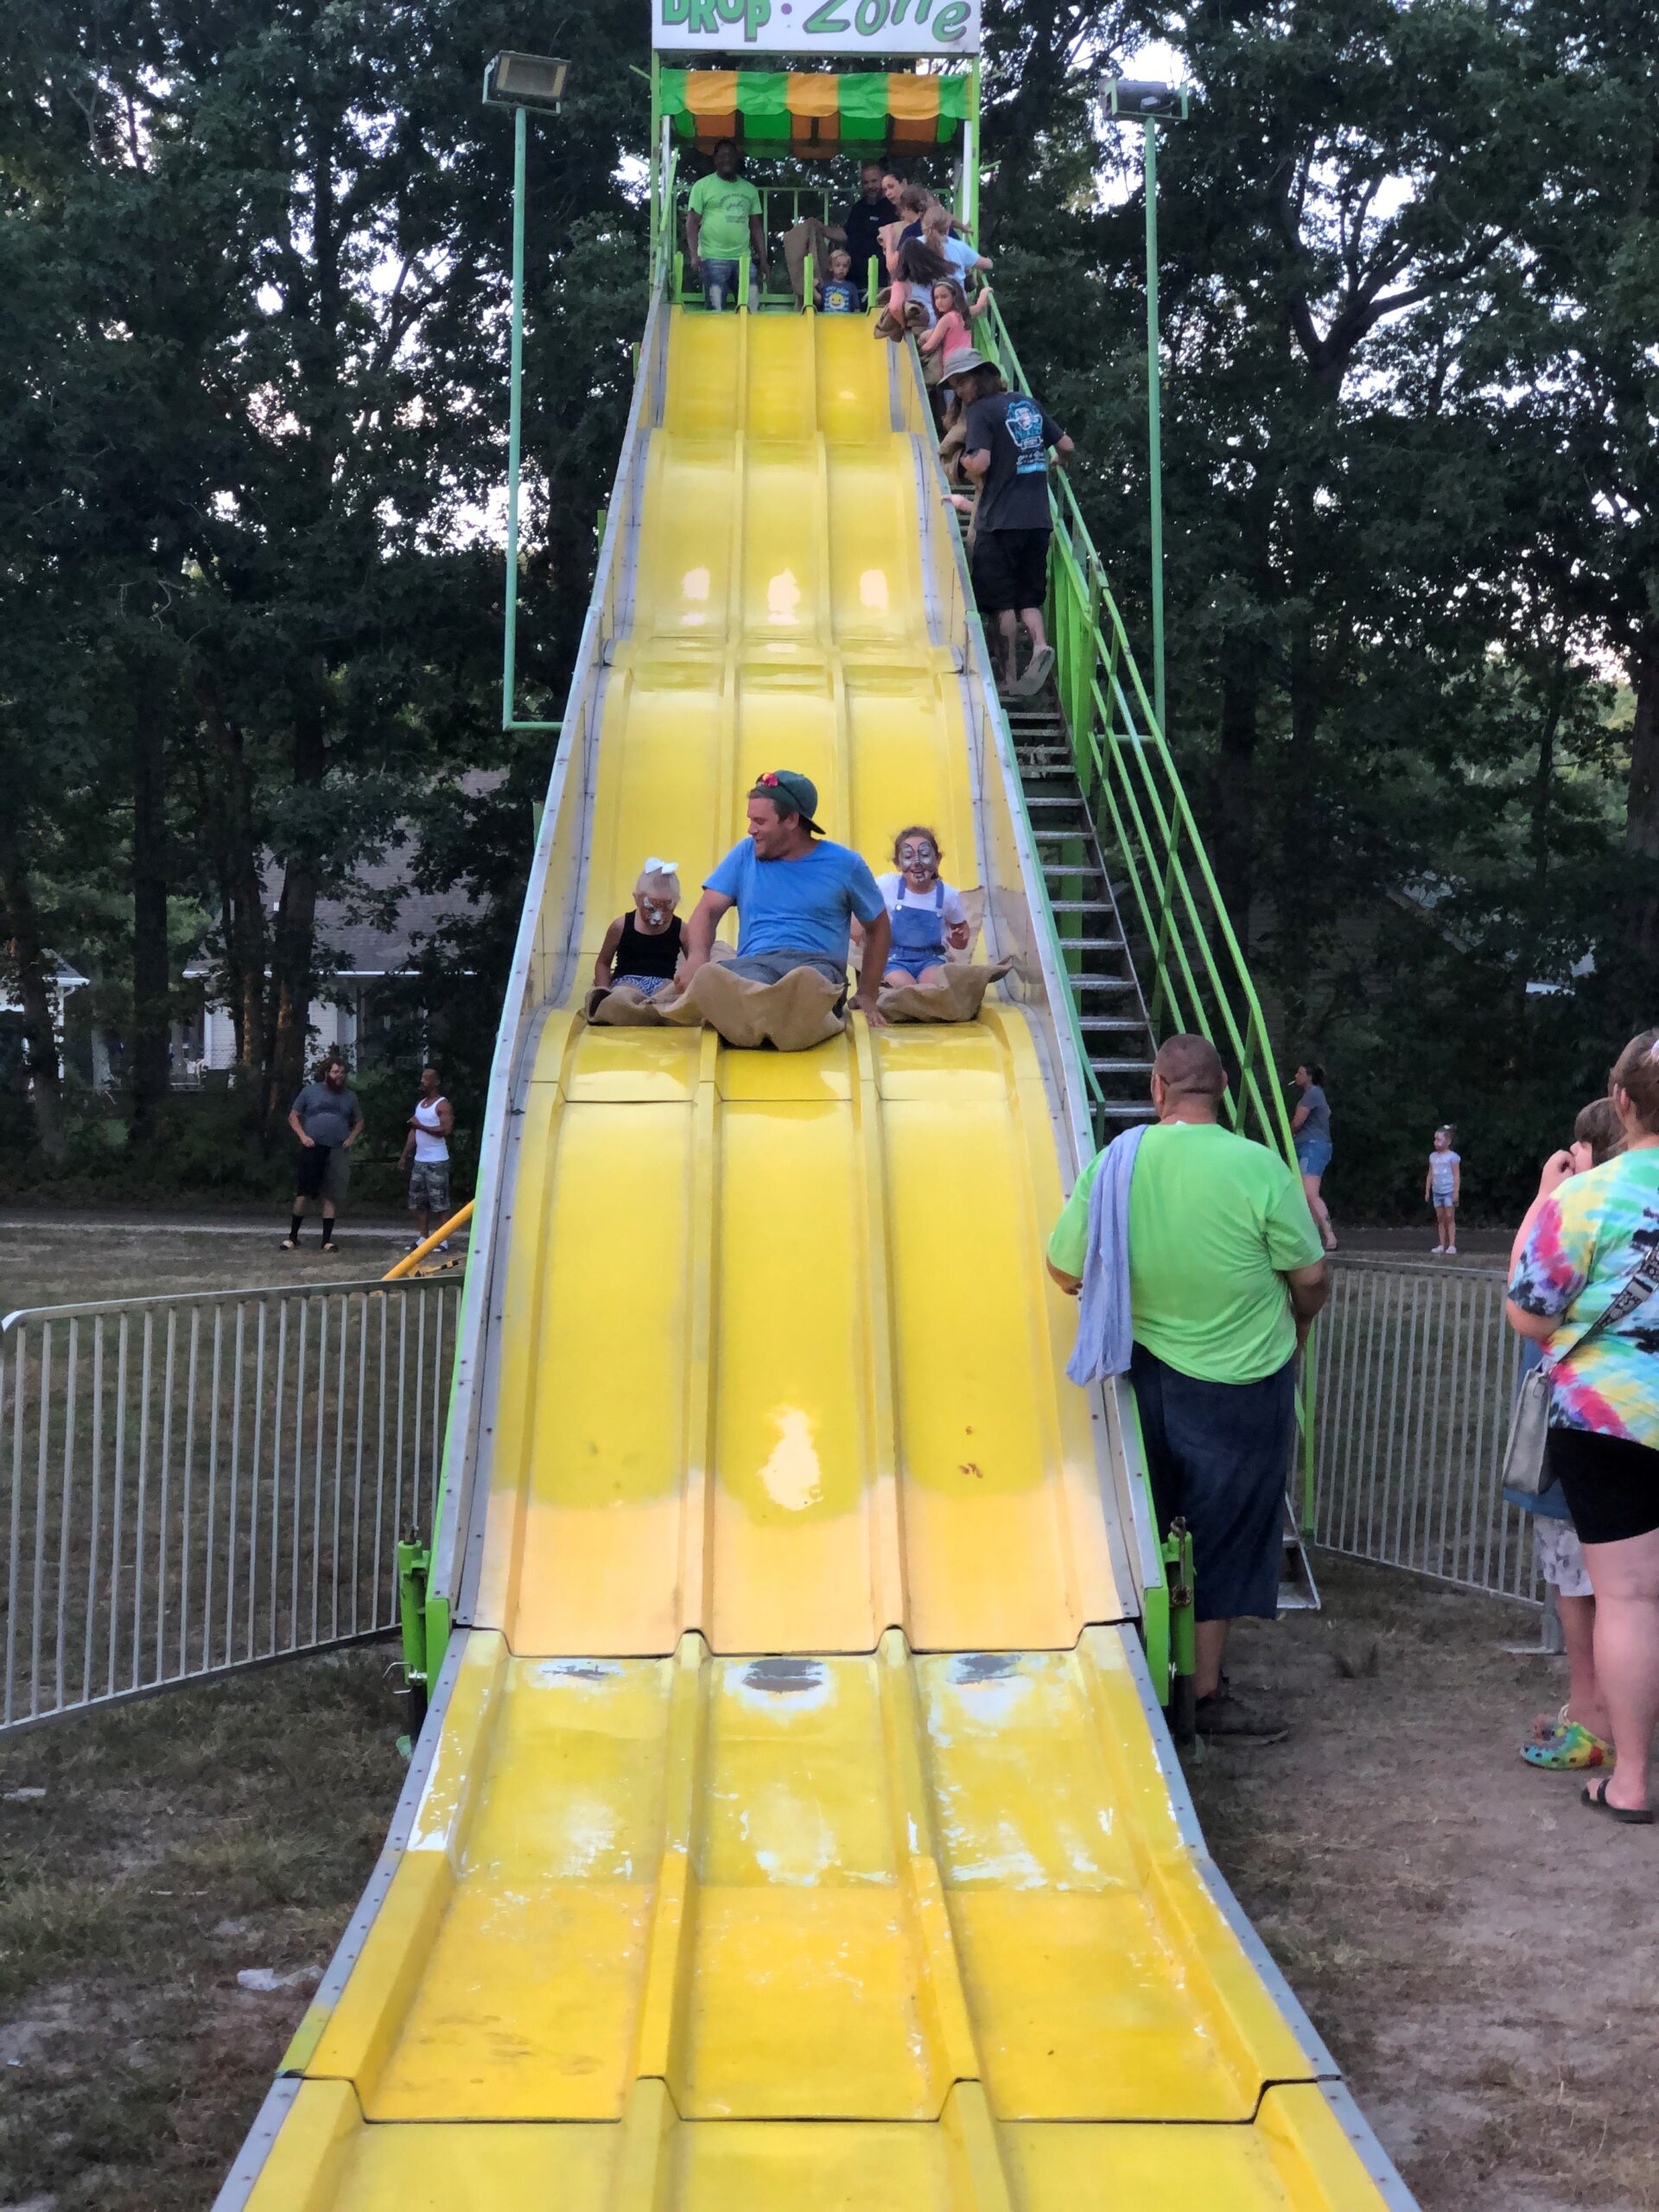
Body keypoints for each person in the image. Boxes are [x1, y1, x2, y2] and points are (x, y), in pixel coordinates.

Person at [1046, 1034, 1328, 1739]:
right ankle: (1205, 1696)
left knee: (1150, 1524)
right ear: (1225, 1089)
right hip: (1244, 1384)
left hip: (1144, 1374)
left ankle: (1144, 1679)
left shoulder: (1118, 1162)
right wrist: (1298, 1321)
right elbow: (1311, 1276)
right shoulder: (1260, 1167)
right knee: (1226, 1534)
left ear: (1157, 1088)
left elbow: (1062, 1265)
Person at [1508, 1029, 1659, 1822]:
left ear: (1623, 1103)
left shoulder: (1584, 1198)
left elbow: (1529, 1314)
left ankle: (1631, 1781)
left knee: (1630, 1599)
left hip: (1610, 1421)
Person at [1506, 1096, 1624, 1772]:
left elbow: (1525, 1291)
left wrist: (1549, 1195)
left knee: (1577, 1585)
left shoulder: (1577, 1213)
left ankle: (1590, 1716)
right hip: (1632, 1424)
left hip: (1574, 1427)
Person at [680, 770, 890, 1027]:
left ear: (791, 820)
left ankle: (759, 1016)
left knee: (806, 983)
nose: (751, 829)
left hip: (815, 968)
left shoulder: (845, 864)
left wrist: (868, 994)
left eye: (760, 821)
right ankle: (763, 1013)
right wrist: (697, 957)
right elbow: (708, 910)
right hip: (754, 966)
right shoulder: (745, 854)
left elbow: (878, 926)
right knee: (734, 979)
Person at [944, 348, 1072, 698]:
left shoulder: (982, 411)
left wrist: (963, 462)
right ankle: (1041, 645)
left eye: (962, 382)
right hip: (1037, 520)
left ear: (980, 377)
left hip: (999, 522)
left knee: (1001, 604)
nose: (959, 391)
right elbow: (1067, 444)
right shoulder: (1026, 404)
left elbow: (981, 463)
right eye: (954, 385)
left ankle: (1010, 678)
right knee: (1028, 597)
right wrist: (1058, 461)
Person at [865, 825, 972, 988]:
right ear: (897, 863)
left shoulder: (948, 895)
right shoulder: (887, 885)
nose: (917, 863)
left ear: (937, 859)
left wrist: (959, 940)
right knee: (906, 987)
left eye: (924, 855)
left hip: (932, 959)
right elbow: (861, 899)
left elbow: (962, 932)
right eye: (908, 856)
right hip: (895, 958)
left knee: (932, 988)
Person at [283, 1055, 363, 1253]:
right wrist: (302, 1136)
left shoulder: (350, 1096)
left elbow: (359, 1121)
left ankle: (326, 1240)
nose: (340, 1076)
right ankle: (293, 1237)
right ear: (327, 1073)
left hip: (337, 1150)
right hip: (313, 1148)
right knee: (304, 1193)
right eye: (336, 1072)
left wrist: (351, 1138)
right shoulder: (310, 1091)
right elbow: (293, 1116)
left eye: (343, 1073)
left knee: (331, 1194)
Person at [685, 139, 766, 313]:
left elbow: (756, 226)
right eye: (722, 156)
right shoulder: (702, 186)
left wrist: (764, 259)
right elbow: (692, 223)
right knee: (716, 310)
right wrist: (694, 255)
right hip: (713, 258)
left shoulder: (749, 189)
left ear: (737, 158)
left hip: (744, 259)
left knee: (751, 311)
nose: (726, 159)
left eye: (730, 156)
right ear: (715, 159)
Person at [594, 861, 684, 1001]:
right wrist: (603, 992)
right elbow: (603, 963)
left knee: (670, 993)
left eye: (666, 909)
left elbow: (696, 962)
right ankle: (638, 1009)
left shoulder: (682, 929)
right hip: (627, 981)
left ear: (676, 903)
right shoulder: (620, 926)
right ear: (636, 899)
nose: (657, 917)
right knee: (624, 993)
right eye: (650, 908)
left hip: (664, 985)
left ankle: (652, 1008)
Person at [400, 1066, 454, 1253]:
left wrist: (420, 1126)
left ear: (436, 1082)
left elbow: (445, 1130)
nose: (423, 1081)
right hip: (420, 1160)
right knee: (419, 1201)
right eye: (422, 1077)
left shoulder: (442, 1105)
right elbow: (413, 1132)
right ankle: (424, 1237)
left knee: (439, 1201)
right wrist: (404, 1155)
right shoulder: (420, 1104)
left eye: (427, 1078)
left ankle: (443, 1240)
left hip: (437, 1160)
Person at [1290, 1061, 1337, 1252]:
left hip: (1313, 1147)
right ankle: (1313, 1237)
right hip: (1308, 1146)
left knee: (1310, 1193)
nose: (1296, 1076)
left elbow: (1298, 1121)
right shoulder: (1316, 1095)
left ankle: (1330, 1235)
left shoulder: (1312, 1094)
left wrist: (1289, 1129)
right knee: (1305, 1194)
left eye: (1299, 1073)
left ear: (1309, 1076)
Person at [1425, 1125, 1461, 1255]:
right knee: (1440, 1218)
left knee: (1450, 1217)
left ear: (1448, 1141)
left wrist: (1455, 1191)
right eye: (1435, 1139)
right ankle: (1441, 1244)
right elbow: (1430, 1173)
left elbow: (1456, 1175)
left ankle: (1452, 1245)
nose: (1436, 1142)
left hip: (1448, 1191)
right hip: (1437, 1191)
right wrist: (1427, 1190)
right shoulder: (1432, 1157)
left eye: (1439, 1140)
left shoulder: (1453, 1157)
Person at [817, 246, 861, 315]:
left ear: (848, 269)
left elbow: (856, 308)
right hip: (827, 322)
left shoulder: (851, 287)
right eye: (837, 265)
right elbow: (820, 301)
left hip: (845, 323)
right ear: (831, 267)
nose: (841, 268)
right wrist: (812, 288)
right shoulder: (826, 285)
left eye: (845, 266)